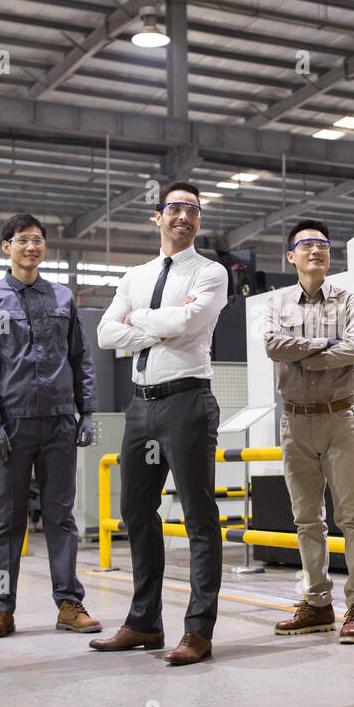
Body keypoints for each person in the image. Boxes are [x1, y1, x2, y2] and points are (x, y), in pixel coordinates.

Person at [91, 182, 228, 665]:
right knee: (135, 511)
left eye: (193, 210)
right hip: (141, 406)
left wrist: (140, 320)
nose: (184, 217)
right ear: (157, 217)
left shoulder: (211, 273)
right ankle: (145, 621)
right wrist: (158, 321)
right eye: (175, 209)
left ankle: (198, 630)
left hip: (187, 402)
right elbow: (107, 333)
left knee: (198, 516)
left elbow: (191, 324)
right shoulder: (136, 274)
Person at [0, 213, 98, 640]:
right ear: (6, 247)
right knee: (7, 519)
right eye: (22, 240)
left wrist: (88, 411)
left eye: (38, 240)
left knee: (60, 516)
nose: (31, 247)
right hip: (12, 424)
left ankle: (68, 602)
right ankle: (1, 608)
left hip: (59, 421)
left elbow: (81, 358)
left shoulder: (62, 298)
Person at [263, 219, 354, 643]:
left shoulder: (348, 301)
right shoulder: (277, 304)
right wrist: (326, 348)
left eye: (324, 245)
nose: (317, 250)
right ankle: (317, 602)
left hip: (339, 419)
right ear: (291, 256)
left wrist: (304, 355)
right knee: (307, 519)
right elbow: (273, 346)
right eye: (307, 244)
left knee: (353, 518)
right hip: (295, 421)